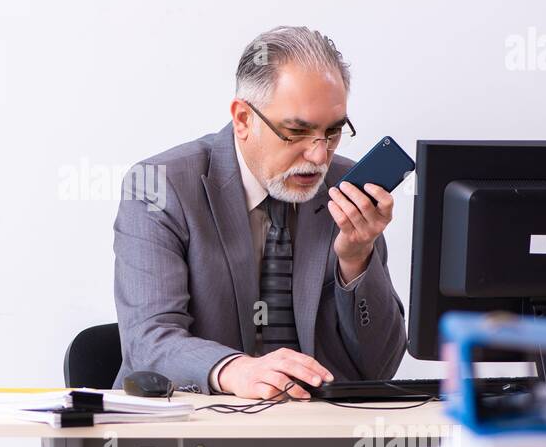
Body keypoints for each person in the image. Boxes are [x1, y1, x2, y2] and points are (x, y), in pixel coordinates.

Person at [113, 26, 406, 399]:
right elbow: (148, 342)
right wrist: (235, 370)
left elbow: (379, 366)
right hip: (192, 435)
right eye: (297, 132)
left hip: (316, 434)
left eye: (332, 132)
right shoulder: (159, 186)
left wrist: (357, 260)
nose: (319, 155)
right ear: (243, 119)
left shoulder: (345, 192)